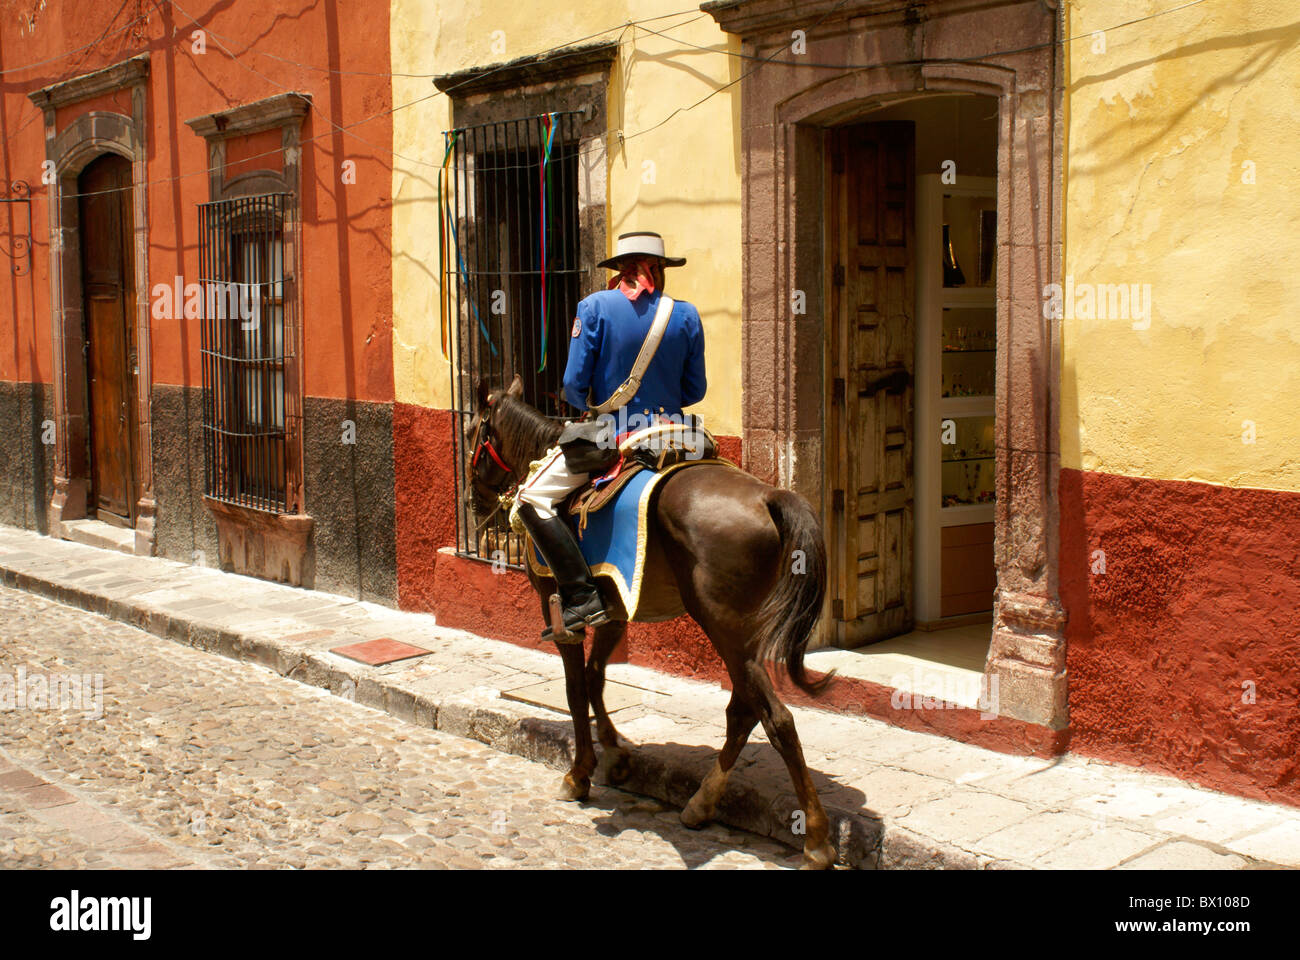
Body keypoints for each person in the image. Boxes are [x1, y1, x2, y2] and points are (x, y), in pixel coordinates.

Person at [515, 231, 707, 636]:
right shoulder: (687, 314)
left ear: (622, 269)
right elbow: (695, 391)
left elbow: (572, 384)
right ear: (660, 271)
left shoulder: (594, 307)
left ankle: (583, 598)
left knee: (531, 497)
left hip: (617, 436)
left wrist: (597, 399)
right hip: (676, 435)